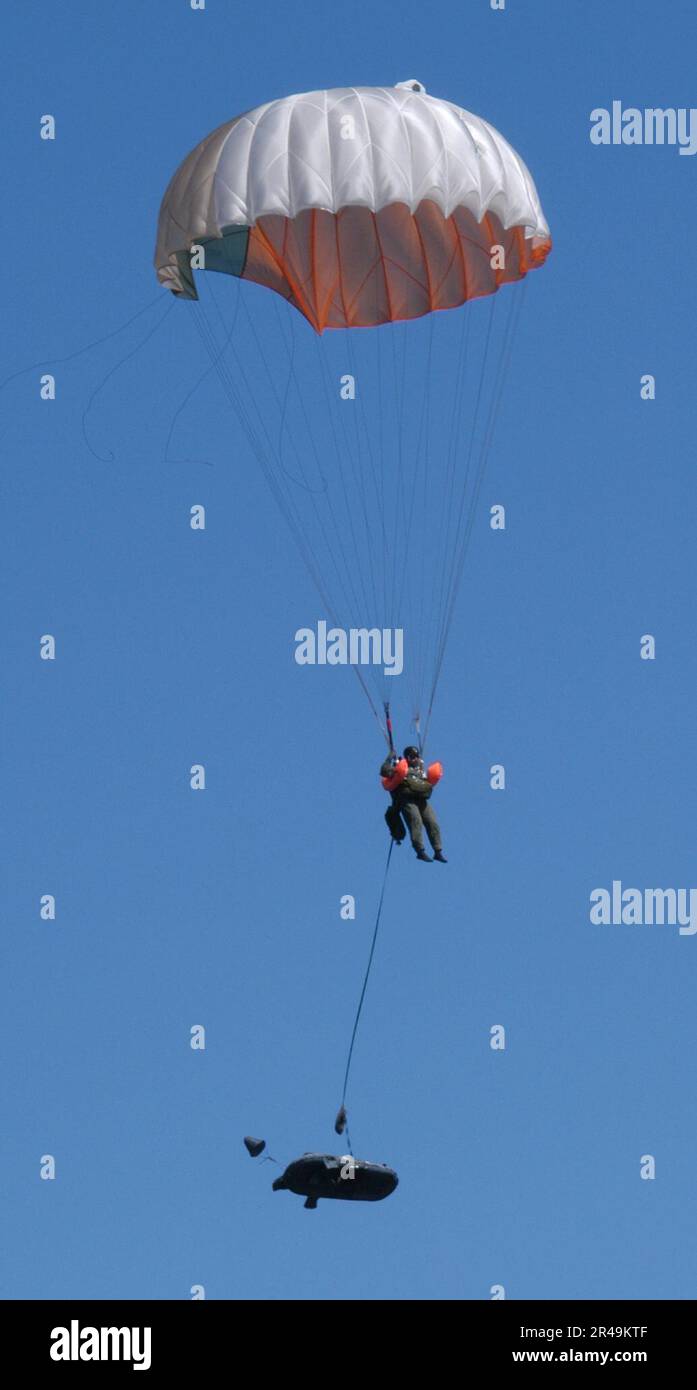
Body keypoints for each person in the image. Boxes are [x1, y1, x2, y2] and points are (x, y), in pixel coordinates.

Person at [380, 745, 446, 862]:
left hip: (421, 799)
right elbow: (384, 771)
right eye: (412, 757)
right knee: (416, 821)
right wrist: (389, 758)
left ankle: (437, 850)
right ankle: (419, 850)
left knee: (432, 822)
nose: (414, 759)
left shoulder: (420, 770)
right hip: (407, 800)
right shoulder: (400, 769)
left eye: (416, 756)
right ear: (407, 758)